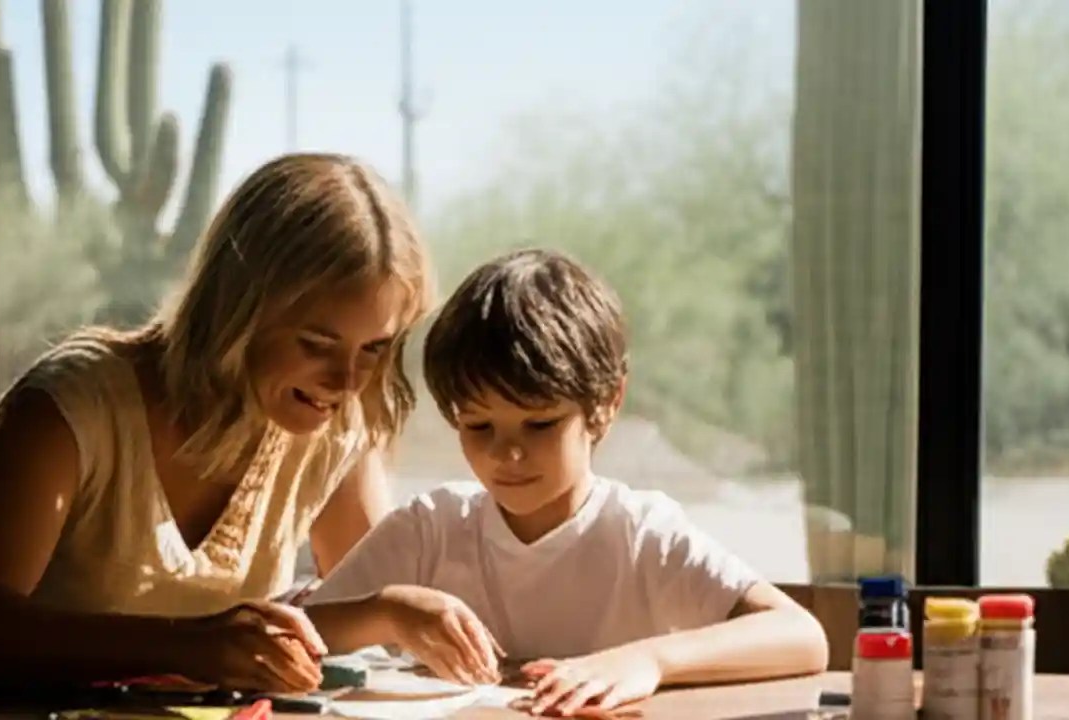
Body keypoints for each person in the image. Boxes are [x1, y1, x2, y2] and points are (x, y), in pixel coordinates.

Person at [0, 153, 434, 693]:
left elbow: (327, 622)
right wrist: (186, 647)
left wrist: (389, 611)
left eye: (375, 348)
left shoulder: (332, 429)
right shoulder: (75, 410)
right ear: (238, 308)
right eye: (317, 344)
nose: (348, 380)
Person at [302, 248, 829, 716]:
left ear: (605, 405)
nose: (506, 452)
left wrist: (648, 659)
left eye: (541, 424)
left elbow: (802, 637)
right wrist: (384, 613)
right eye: (478, 426)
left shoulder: (641, 534)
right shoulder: (431, 529)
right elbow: (286, 639)